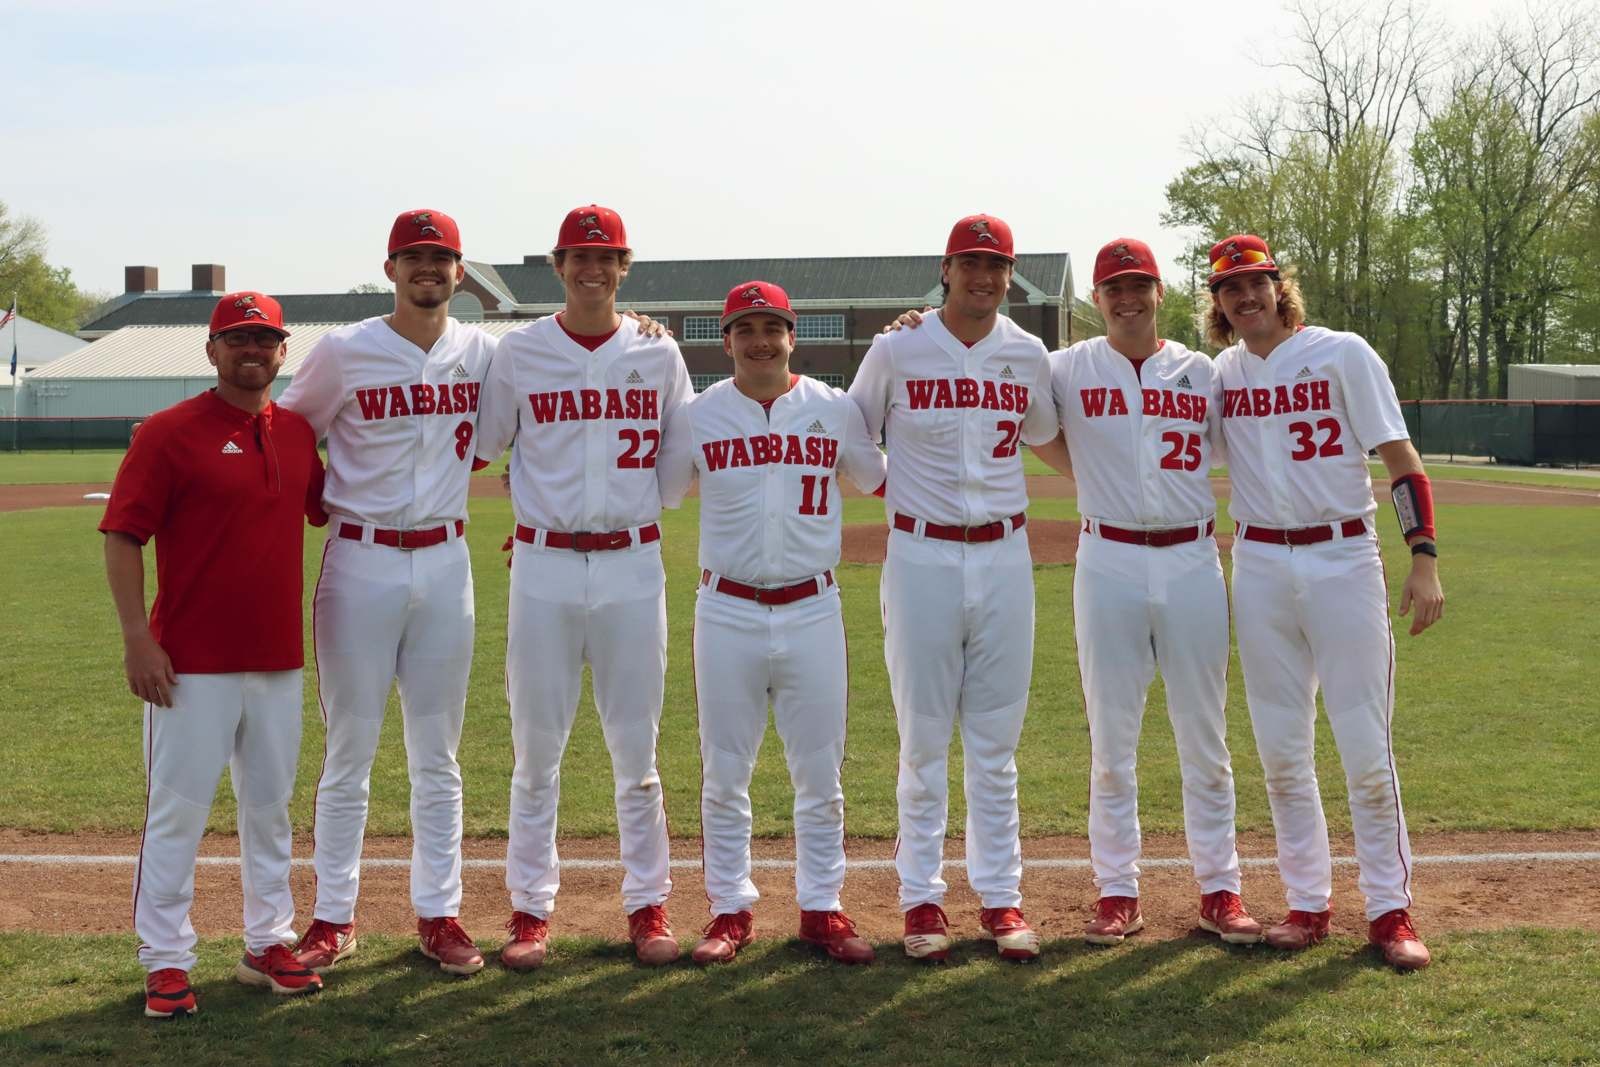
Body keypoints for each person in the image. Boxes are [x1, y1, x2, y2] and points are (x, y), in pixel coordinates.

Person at [1206, 233, 1442, 971]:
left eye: (1257, 282)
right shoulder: (1220, 373)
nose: (1246, 297)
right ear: (1216, 303)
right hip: (1261, 562)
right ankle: (1307, 901)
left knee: (1364, 748)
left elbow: (1402, 460)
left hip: (1343, 557)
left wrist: (1424, 558)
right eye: (1230, 288)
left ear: (1280, 285)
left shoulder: (1343, 352)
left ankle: (1390, 910)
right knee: (1281, 751)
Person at [476, 204, 693, 969]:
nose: (592, 269)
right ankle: (531, 911)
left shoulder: (659, 352)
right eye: (578, 256)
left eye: (606, 257)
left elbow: (675, 473)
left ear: (624, 266)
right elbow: (487, 442)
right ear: (558, 264)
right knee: (537, 750)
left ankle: (648, 904)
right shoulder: (521, 351)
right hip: (545, 564)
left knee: (637, 749)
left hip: (633, 561)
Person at [280, 209, 497, 976]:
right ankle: (332, 917)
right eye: (413, 256)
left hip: (445, 561)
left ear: (460, 273)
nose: (427, 269)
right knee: (349, 751)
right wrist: (313, 506)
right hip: (361, 559)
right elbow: (287, 432)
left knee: (437, 755)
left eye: (440, 257)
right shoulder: (344, 349)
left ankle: (440, 912)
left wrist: (638, 327)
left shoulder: (483, 352)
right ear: (391, 269)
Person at [102, 292, 327, 1018]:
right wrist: (139, 636)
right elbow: (123, 535)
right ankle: (166, 958)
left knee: (270, 811)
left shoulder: (296, 433)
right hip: (188, 662)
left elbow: (336, 503)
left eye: (264, 338)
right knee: (178, 813)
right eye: (237, 339)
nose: (252, 350)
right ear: (211, 351)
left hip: (277, 660)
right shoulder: (168, 432)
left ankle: (268, 941)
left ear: (283, 351)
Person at [1032, 238, 1261, 947]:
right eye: (1112, 287)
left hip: (1192, 556)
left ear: (1160, 290)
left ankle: (1220, 888)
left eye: (1138, 284)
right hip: (1109, 559)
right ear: (1095, 299)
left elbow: (1230, 445)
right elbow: (1035, 426)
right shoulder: (1065, 367)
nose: (1125, 297)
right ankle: (1116, 889)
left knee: (1205, 735)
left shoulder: (1202, 370)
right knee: (1112, 737)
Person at [657, 281, 886, 966]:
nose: (760, 339)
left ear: (792, 336)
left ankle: (822, 906)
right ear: (725, 341)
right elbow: (661, 493)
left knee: (819, 772)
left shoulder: (834, 409)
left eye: (772, 326)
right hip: (725, 607)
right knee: (726, 771)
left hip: (813, 604)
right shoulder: (696, 416)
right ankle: (729, 908)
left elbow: (879, 478)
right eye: (745, 328)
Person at [848, 214, 1058, 962]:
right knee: (924, 739)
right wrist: (889, 484)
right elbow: (851, 431)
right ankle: (922, 899)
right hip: (923, 557)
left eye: (996, 266)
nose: (984, 277)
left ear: (1009, 275)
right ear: (945, 269)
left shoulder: (1029, 354)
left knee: (996, 746)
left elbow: (1047, 436)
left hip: (1004, 554)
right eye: (970, 264)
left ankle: (1001, 898)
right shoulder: (897, 346)